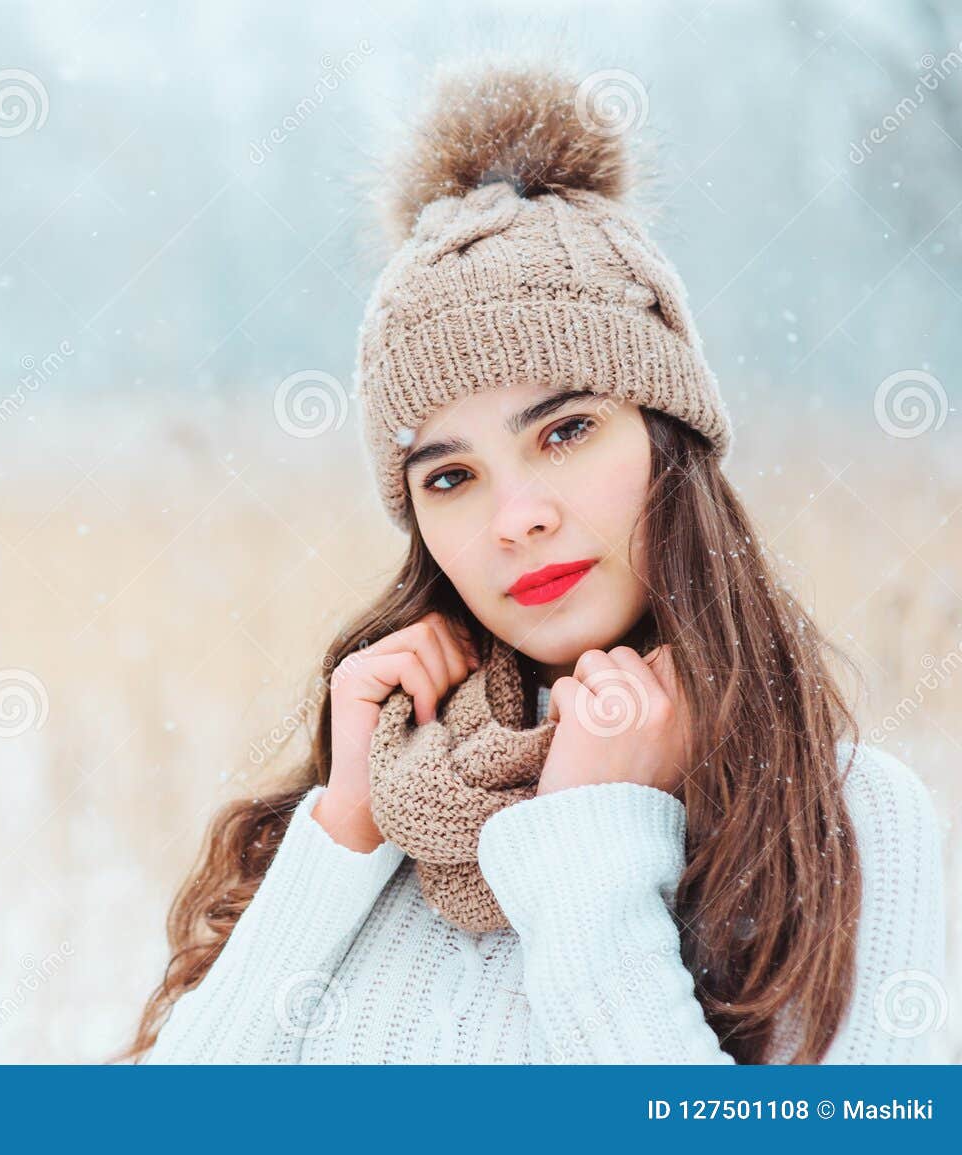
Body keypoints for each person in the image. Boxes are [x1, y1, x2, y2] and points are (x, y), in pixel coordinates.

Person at [118, 61, 947, 1064]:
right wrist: (342, 830)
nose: (515, 518)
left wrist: (593, 847)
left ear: (667, 440)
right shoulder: (394, 804)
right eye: (450, 478)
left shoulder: (846, 822)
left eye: (564, 432)